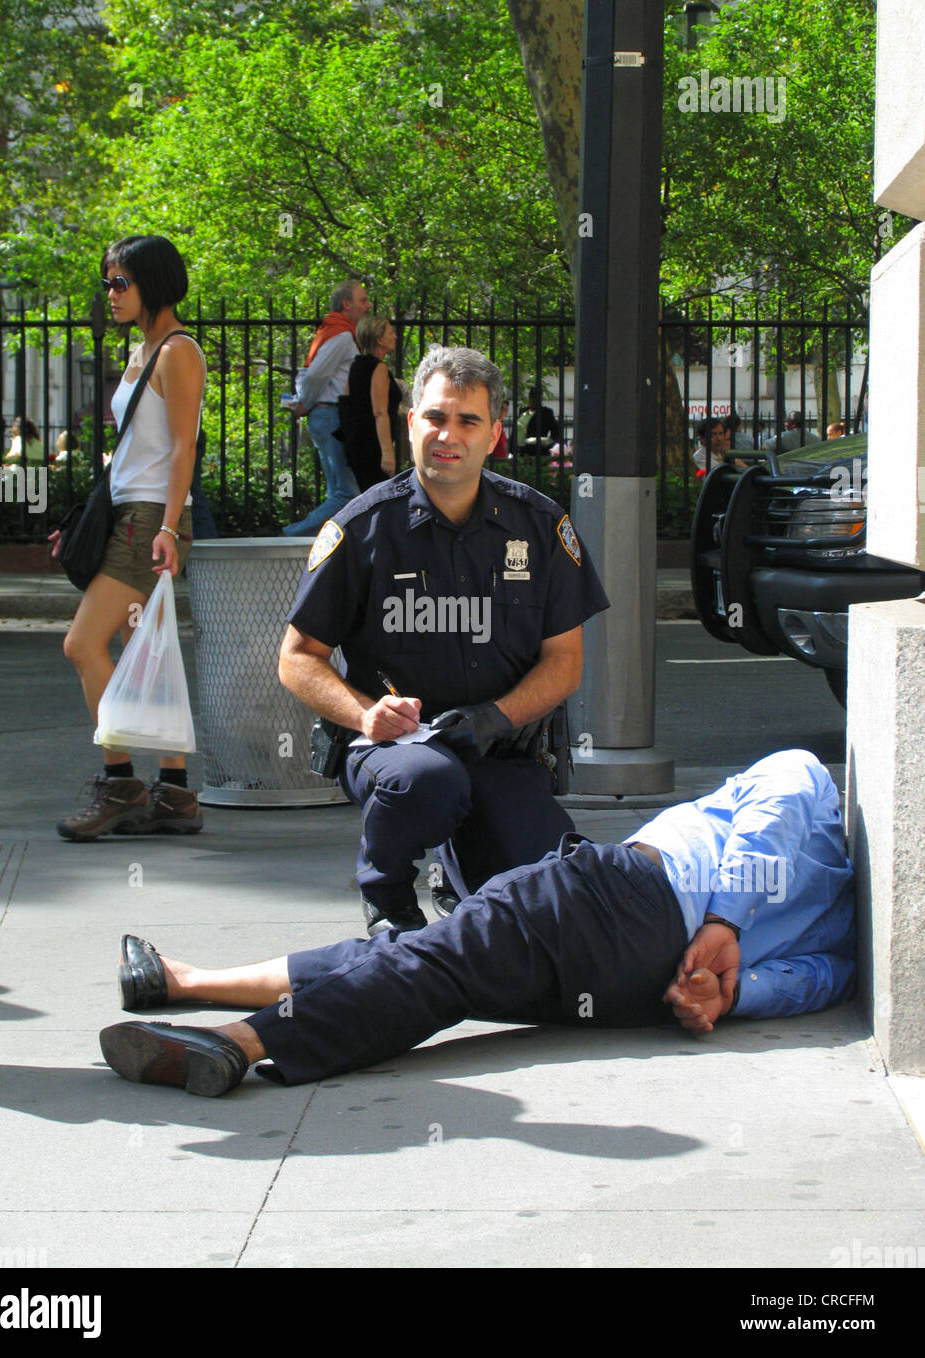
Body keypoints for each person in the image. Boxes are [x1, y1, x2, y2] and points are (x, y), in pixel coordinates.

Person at [98, 750, 857, 1096]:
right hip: (639, 987)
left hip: (625, 895)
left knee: (435, 966)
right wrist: (730, 994)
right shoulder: (846, 931)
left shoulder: (806, 778)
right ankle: (183, 982)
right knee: (428, 957)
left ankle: (236, 1045)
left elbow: (768, 816)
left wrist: (722, 925)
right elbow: (813, 982)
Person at [278, 346, 608, 935]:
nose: (447, 434)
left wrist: (491, 719)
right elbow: (297, 659)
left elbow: (565, 664)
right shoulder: (359, 530)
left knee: (558, 901)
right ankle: (386, 895)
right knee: (427, 780)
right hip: (396, 751)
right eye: (434, 416)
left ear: (494, 434)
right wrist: (366, 715)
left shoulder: (541, 527)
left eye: (467, 420)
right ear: (410, 423)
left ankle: (458, 872)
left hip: (500, 748)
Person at [48, 234, 206, 840]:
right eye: (107, 283)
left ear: (154, 283)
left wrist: (167, 526)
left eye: (121, 283)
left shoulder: (178, 351)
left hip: (151, 521)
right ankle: (174, 795)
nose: (109, 294)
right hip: (129, 514)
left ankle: (120, 781)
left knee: (81, 645)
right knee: (147, 654)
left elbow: (183, 449)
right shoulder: (145, 349)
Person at [283, 281, 370, 536]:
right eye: (363, 300)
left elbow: (309, 373)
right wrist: (304, 404)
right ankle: (291, 536)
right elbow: (314, 375)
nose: (368, 305)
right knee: (346, 495)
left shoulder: (336, 332)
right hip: (330, 414)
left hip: (330, 415)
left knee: (341, 492)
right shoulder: (342, 336)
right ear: (347, 304)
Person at [335, 314, 400, 492]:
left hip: (357, 445)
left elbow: (348, 404)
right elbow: (380, 412)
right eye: (390, 332)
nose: (394, 336)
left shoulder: (356, 366)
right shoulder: (379, 368)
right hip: (373, 448)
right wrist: (387, 453)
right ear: (379, 339)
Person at [515, 384, 559, 455]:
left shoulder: (546, 413)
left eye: (536, 397)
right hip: (524, 452)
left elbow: (556, 432)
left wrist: (547, 444)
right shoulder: (523, 411)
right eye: (532, 396)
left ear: (540, 398)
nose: (533, 400)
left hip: (540, 451)